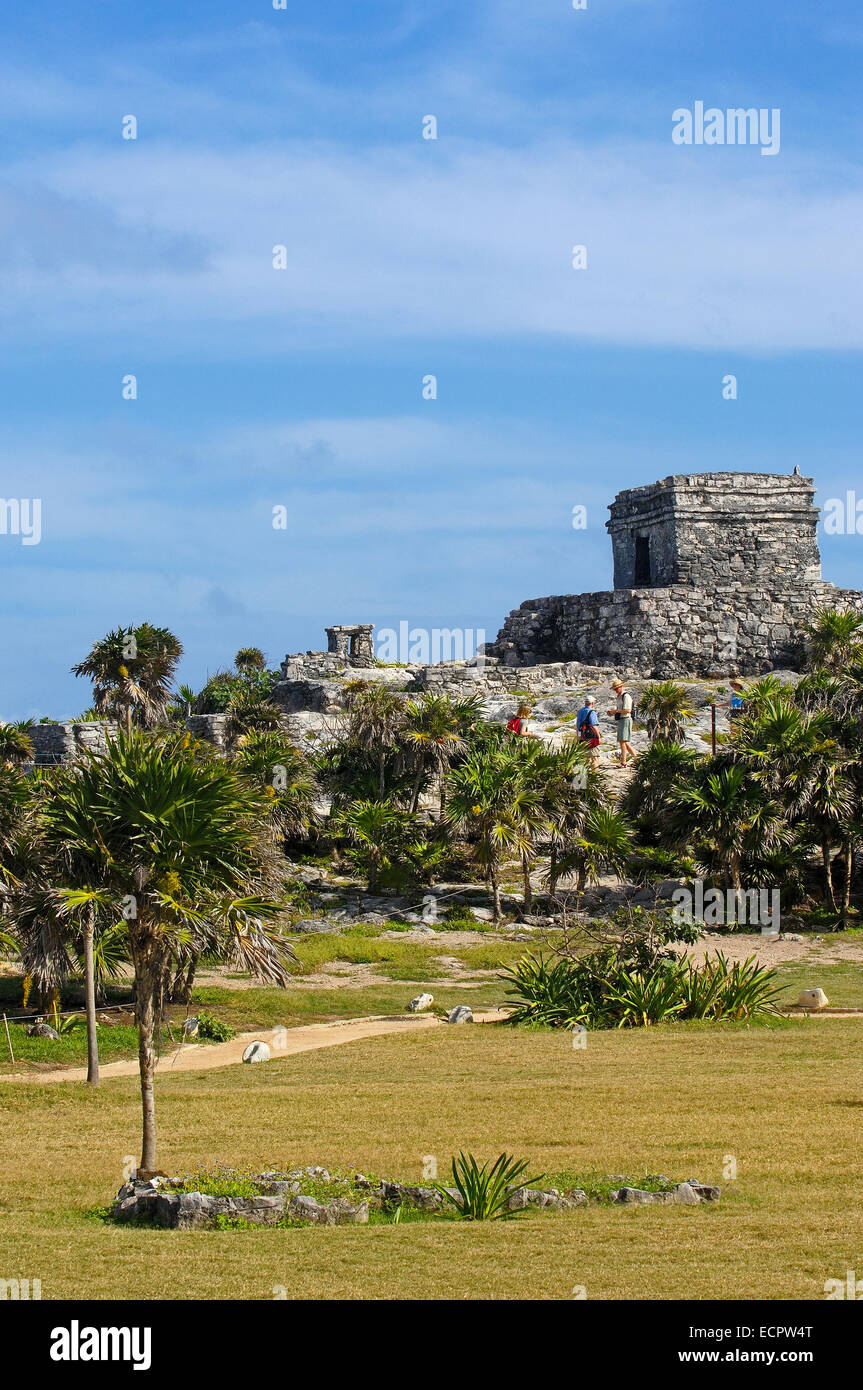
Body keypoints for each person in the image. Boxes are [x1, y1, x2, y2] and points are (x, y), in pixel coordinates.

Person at [607, 679, 635, 767]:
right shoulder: (619, 696)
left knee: (622, 741)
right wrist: (613, 712)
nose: (615, 691)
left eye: (616, 688)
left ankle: (624, 761)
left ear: (621, 687)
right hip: (621, 719)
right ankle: (636, 758)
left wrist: (616, 711)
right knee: (623, 741)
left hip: (626, 718)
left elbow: (628, 710)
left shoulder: (626, 696)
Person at [575, 695, 601, 762]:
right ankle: (595, 772)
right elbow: (594, 725)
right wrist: (599, 737)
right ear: (592, 703)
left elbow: (578, 726)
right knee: (594, 758)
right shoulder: (591, 712)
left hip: (582, 736)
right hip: (591, 737)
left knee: (585, 758)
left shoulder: (580, 711)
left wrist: (578, 737)